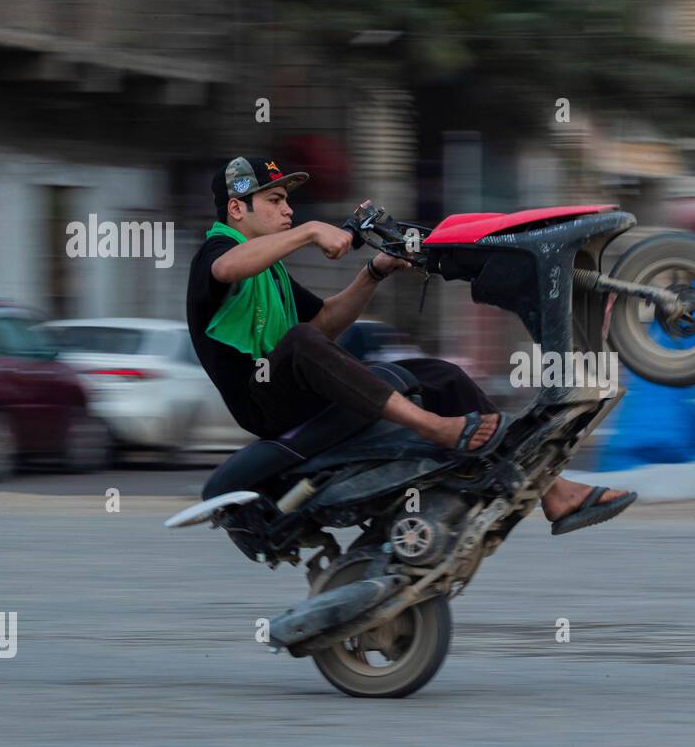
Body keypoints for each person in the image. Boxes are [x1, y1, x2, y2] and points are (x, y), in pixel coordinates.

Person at [186, 156, 636, 535]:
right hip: (265, 403)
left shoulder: (271, 271)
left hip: (302, 393)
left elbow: (324, 323)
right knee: (301, 340)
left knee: (443, 376)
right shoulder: (217, 253)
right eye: (275, 200)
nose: (288, 210)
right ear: (236, 208)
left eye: (288, 201)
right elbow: (227, 270)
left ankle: (554, 493)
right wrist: (308, 233)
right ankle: (432, 427)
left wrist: (375, 272)